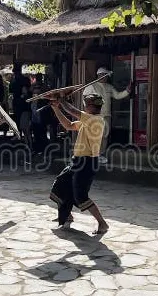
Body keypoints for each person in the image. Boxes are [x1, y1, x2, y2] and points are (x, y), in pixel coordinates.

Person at [48, 93, 110, 236]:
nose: (84, 106)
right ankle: (67, 214)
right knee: (61, 184)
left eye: (86, 104)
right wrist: (56, 108)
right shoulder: (88, 120)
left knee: (81, 196)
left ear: (91, 106)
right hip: (78, 161)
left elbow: (73, 111)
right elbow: (68, 125)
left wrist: (62, 100)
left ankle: (102, 223)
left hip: (87, 162)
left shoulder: (95, 120)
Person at [82, 67, 132, 164]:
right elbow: (85, 99)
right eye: (104, 75)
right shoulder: (91, 86)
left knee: (104, 135)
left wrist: (127, 91)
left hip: (107, 115)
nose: (105, 78)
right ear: (99, 75)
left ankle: (101, 154)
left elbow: (117, 95)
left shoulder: (109, 87)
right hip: (96, 115)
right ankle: (93, 154)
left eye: (106, 76)